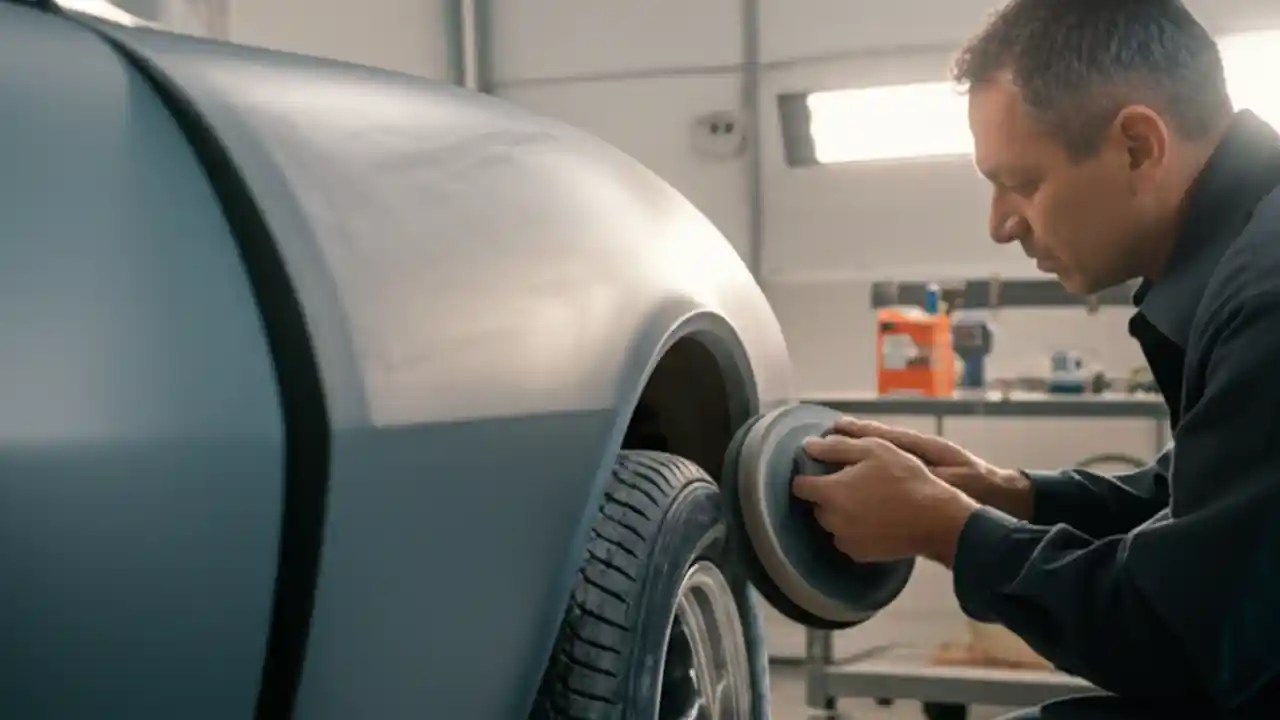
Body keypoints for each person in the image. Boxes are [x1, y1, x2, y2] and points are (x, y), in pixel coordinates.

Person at [792, 1, 1280, 718]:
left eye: (1022, 183)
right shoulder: (1248, 255)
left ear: (1138, 146)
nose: (999, 225)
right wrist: (1005, 492)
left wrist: (947, 528)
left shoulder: (1267, 296)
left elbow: (1178, 636)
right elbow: (1197, 507)